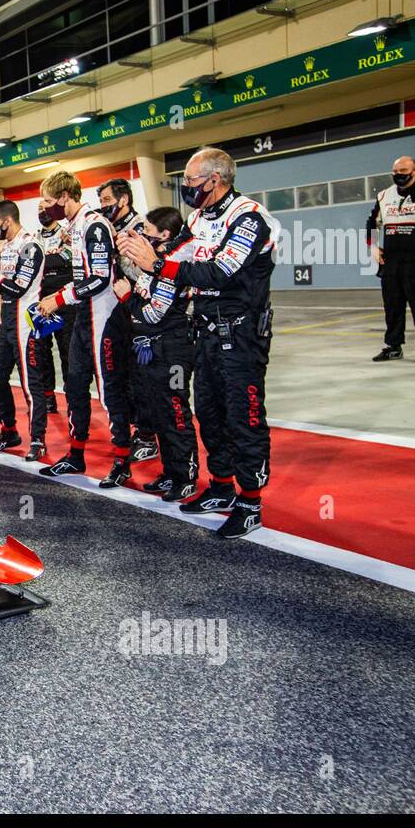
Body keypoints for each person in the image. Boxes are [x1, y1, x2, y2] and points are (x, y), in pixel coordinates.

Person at [119, 147, 277, 539]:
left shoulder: (249, 217)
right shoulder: (197, 216)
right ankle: (222, 486)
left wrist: (156, 264)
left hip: (241, 333)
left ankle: (251, 501)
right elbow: (177, 255)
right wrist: (142, 251)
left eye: (190, 181)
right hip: (204, 330)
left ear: (215, 179)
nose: (186, 187)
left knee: (244, 417)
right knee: (209, 413)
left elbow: (220, 270)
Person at [34, 170, 117, 477]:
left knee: (110, 391)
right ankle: (76, 453)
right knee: (75, 385)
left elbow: (99, 278)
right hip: (83, 316)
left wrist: (59, 297)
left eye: (48, 200)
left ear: (65, 197)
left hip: (103, 316)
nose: (45, 208)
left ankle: (122, 459)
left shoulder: (93, 224)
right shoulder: (74, 226)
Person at [121, 207, 198, 501]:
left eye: (147, 230)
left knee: (174, 411)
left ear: (164, 235)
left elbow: (153, 313)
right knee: (156, 411)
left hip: (172, 347)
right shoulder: (151, 265)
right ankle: (170, 472)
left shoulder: (171, 265)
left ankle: (186, 476)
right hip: (148, 347)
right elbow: (143, 303)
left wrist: (127, 297)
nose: (142, 234)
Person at [95, 178, 158, 488]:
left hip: (141, 309)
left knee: (141, 376)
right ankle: (125, 438)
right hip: (116, 310)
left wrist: (125, 252)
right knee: (116, 376)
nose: (103, 204)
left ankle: (147, 434)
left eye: (107, 199)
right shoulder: (105, 229)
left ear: (123, 200)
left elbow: (150, 270)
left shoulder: (141, 229)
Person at [0, 200, 47, 460]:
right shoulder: (6, 245)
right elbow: (1, 287)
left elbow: (18, 286)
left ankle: (38, 440)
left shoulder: (30, 245)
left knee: (31, 384)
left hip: (25, 322)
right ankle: (9, 431)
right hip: (7, 320)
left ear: (8, 221)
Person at [366, 155, 415, 364]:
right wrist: (373, 247)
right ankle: (393, 346)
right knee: (392, 305)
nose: (399, 175)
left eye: (403, 171)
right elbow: (371, 223)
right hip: (391, 261)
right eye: (395, 172)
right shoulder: (384, 196)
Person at [36, 213, 73, 415]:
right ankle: (48, 397)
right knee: (41, 351)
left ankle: (72, 397)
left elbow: (67, 257)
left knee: (68, 351)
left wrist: (43, 259)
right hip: (41, 300)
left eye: (46, 207)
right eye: (39, 208)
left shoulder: (66, 232)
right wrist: (53, 259)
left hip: (64, 300)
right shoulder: (35, 237)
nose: (42, 212)